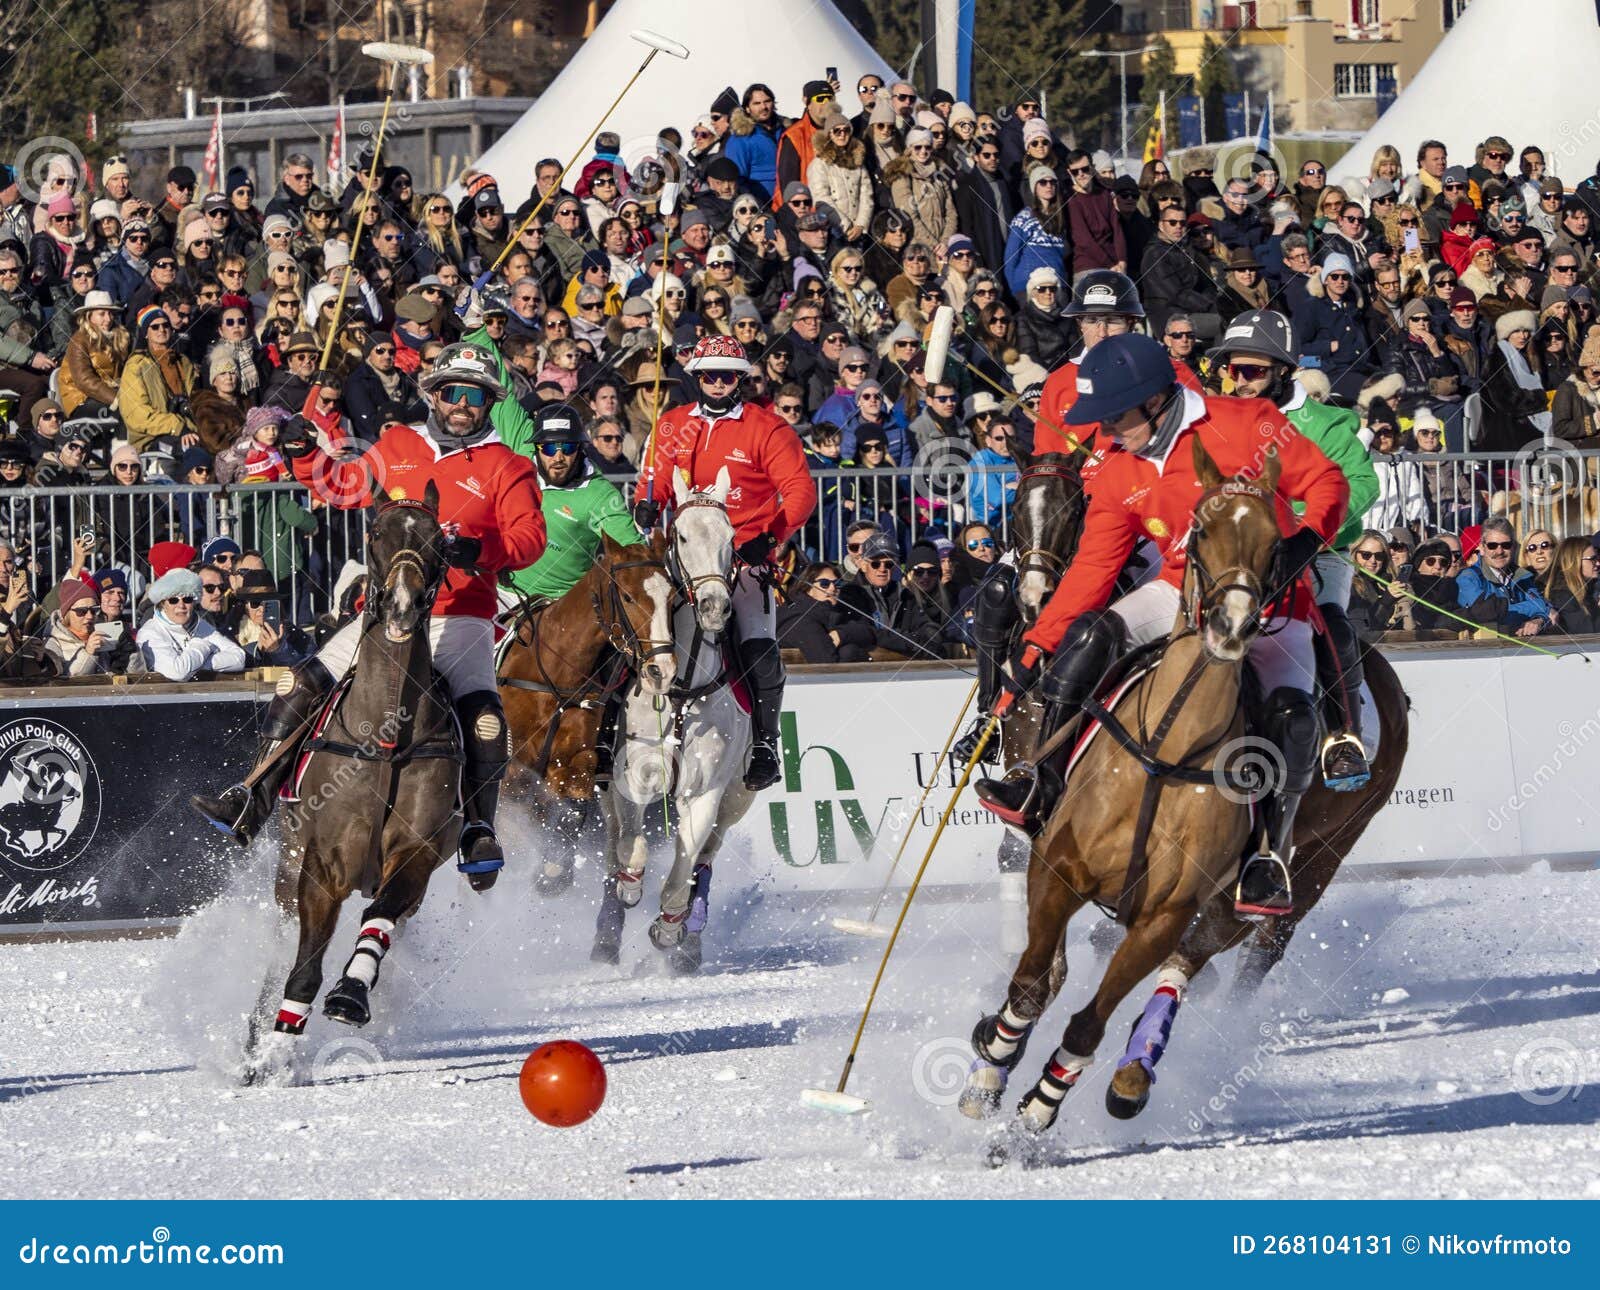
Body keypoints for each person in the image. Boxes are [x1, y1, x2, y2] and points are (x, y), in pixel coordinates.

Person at [973, 333, 1349, 919]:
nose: (1106, 433)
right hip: (1179, 589)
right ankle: (1040, 782)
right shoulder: (1121, 471)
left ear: (1155, 401)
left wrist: (1303, 542)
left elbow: (1328, 484)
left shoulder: (1249, 422)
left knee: (1295, 716)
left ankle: (1266, 855)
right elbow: (1094, 568)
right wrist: (1034, 649)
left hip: (1271, 600)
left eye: (1115, 418)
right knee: (1090, 636)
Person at [191, 342, 546, 888]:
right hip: (382, 611)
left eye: (475, 396)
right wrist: (306, 453)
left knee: (485, 715)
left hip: (460, 612)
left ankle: (478, 826)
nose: (462, 404)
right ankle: (252, 798)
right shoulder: (400, 442)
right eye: (452, 392)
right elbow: (344, 486)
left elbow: (530, 539)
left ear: (489, 404)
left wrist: (480, 550)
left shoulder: (508, 464)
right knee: (302, 681)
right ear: (433, 394)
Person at [632, 335, 817, 790]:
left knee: (757, 645)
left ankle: (764, 744)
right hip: (682, 558)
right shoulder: (673, 424)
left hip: (743, 559)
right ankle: (606, 735)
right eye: (709, 375)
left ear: (741, 379)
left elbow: (800, 493)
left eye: (728, 375)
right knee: (628, 628)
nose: (718, 383)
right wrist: (645, 503)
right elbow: (653, 479)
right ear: (697, 378)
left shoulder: (767, 428)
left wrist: (770, 538)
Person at [1209, 310, 1379, 789]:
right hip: (1238, 553)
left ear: (1284, 370)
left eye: (1252, 371)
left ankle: (1343, 737)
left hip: (1316, 552)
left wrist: (1302, 526)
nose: (1239, 382)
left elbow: (1361, 485)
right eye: (1232, 370)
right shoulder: (1219, 418)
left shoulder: (1326, 424)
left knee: (1334, 627)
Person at [508, 403, 637, 606]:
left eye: (567, 448)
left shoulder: (600, 495)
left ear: (579, 448)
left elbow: (633, 553)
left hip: (558, 603)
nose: (558, 457)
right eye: (549, 448)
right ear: (536, 448)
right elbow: (501, 391)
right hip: (502, 592)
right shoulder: (521, 450)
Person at [838, 530, 942, 659]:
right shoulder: (849, 594)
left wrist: (892, 639)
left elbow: (929, 631)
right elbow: (861, 634)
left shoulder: (905, 595)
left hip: (903, 669)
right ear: (864, 566)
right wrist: (906, 640)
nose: (882, 569)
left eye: (888, 564)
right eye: (875, 564)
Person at [139, 564, 248, 680]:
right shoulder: (150, 632)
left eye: (187, 599)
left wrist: (195, 665)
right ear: (162, 604)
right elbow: (177, 672)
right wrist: (202, 645)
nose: (181, 605)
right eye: (173, 600)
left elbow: (239, 657)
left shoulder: (200, 624)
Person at [1455, 516, 1554, 636]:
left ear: (1514, 547)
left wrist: (1538, 620)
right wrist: (1532, 609)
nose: (1499, 551)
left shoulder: (1523, 576)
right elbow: (1489, 614)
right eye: (1492, 545)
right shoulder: (1468, 578)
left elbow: (1544, 607)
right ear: (1482, 548)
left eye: (1506, 545)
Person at [776, 561, 873, 663]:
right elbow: (825, 663)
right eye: (824, 584)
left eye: (837, 583)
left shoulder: (838, 612)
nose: (832, 588)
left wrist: (841, 634)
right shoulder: (798, 617)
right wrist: (852, 653)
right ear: (808, 587)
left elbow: (871, 631)